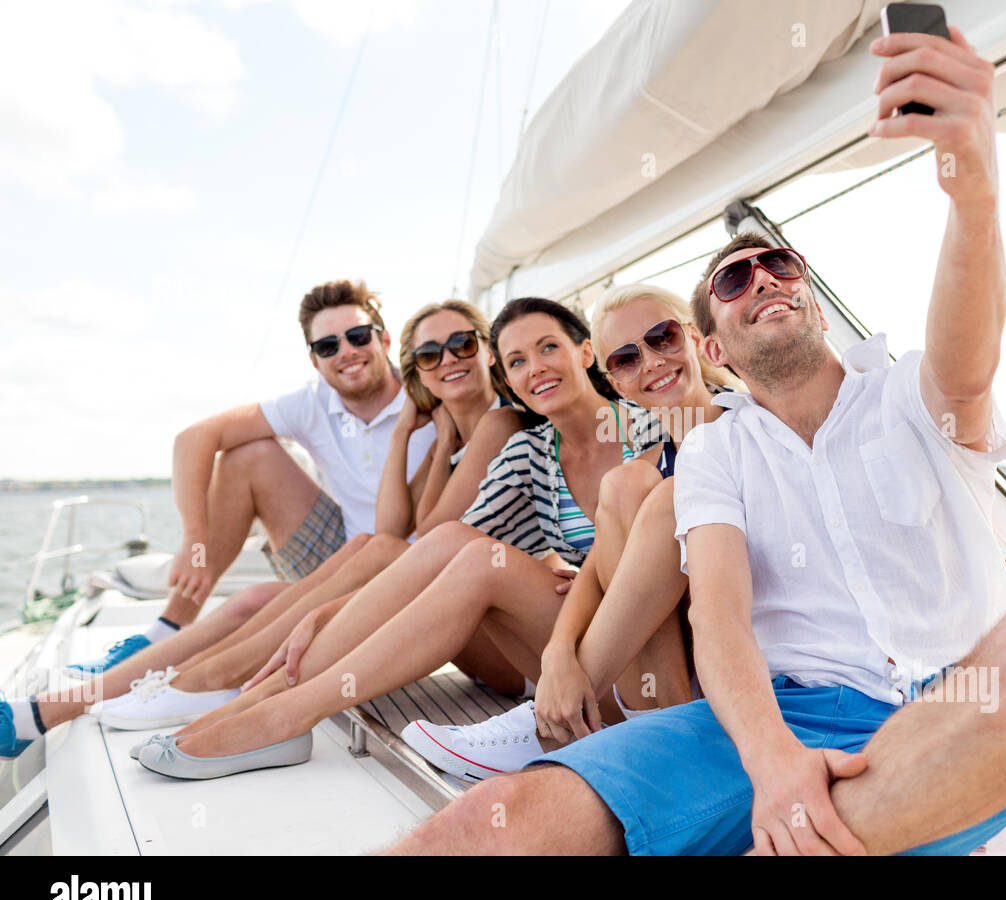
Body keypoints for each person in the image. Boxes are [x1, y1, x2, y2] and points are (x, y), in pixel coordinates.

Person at [380, 26, 1006, 856]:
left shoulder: (912, 395)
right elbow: (722, 618)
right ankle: (842, 828)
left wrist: (972, 191)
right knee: (481, 824)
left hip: (951, 704)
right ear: (717, 349)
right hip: (776, 715)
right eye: (733, 280)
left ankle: (821, 828)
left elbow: (968, 359)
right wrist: (773, 764)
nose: (763, 278)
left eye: (780, 266)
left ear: (816, 303)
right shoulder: (714, 452)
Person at [132, 297, 667, 778]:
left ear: (586, 353)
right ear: (506, 374)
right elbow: (434, 545)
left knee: (477, 559)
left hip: (654, 666)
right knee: (461, 545)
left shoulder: (647, 423)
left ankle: (281, 715)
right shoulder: (530, 454)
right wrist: (326, 613)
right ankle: (253, 707)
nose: (536, 368)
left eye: (548, 347)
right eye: (519, 361)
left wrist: (568, 614)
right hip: (576, 658)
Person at [0, 299, 519, 755]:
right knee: (263, 594)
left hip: (466, 615)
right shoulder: (442, 426)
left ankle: (210, 679)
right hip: (402, 575)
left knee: (375, 549)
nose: (448, 360)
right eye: (431, 356)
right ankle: (71, 700)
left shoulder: (492, 422)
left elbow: (422, 541)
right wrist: (420, 433)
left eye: (462, 345)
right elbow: (411, 527)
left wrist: (327, 610)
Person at [400, 283, 736, 778]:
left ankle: (552, 725)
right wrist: (558, 651)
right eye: (624, 358)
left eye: (662, 338)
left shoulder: (747, 425)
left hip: (747, 654)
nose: (650, 362)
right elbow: (597, 567)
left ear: (696, 338)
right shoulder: (642, 462)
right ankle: (656, 731)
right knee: (624, 486)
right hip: (680, 666)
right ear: (616, 381)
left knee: (645, 491)